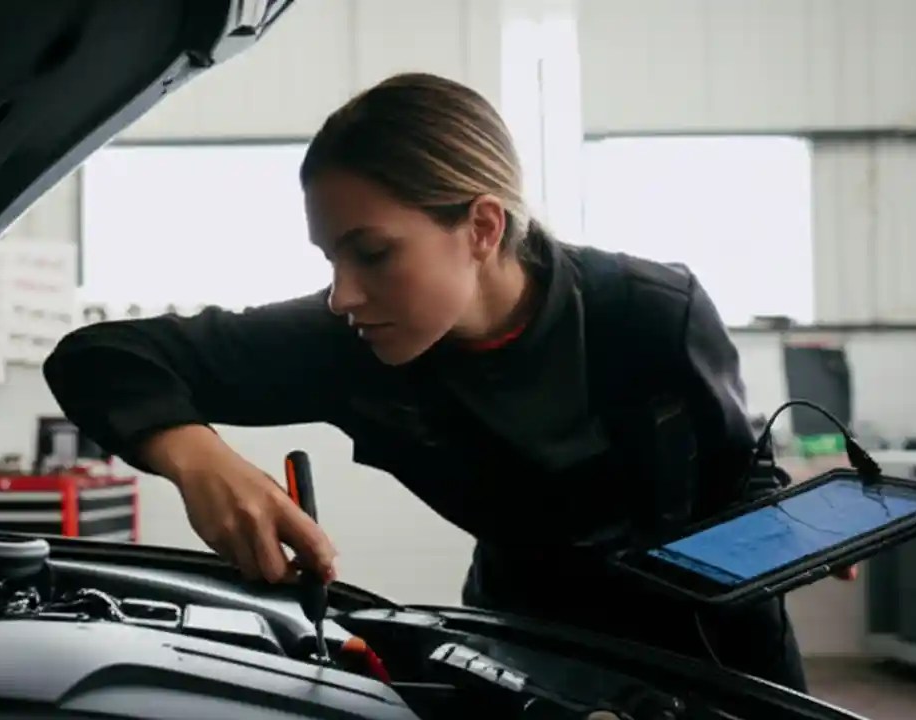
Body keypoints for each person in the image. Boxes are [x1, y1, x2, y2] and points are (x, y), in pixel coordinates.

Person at [43, 72, 831, 692]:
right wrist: (197, 458)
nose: (344, 294)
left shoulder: (652, 311)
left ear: (482, 228)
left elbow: (736, 473)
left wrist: (793, 529)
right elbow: (97, 356)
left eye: (373, 253)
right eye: (330, 260)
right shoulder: (342, 342)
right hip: (528, 646)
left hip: (716, 652)